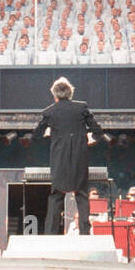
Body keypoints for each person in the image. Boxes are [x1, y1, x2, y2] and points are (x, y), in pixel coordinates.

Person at [32, 76, 105, 235]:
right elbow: (98, 131)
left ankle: (50, 233)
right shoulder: (82, 108)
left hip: (59, 159)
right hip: (80, 157)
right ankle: (85, 233)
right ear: (71, 94)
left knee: (56, 195)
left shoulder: (50, 111)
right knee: (82, 194)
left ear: (54, 95)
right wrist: (90, 140)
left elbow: (36, 135)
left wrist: (49, 132)